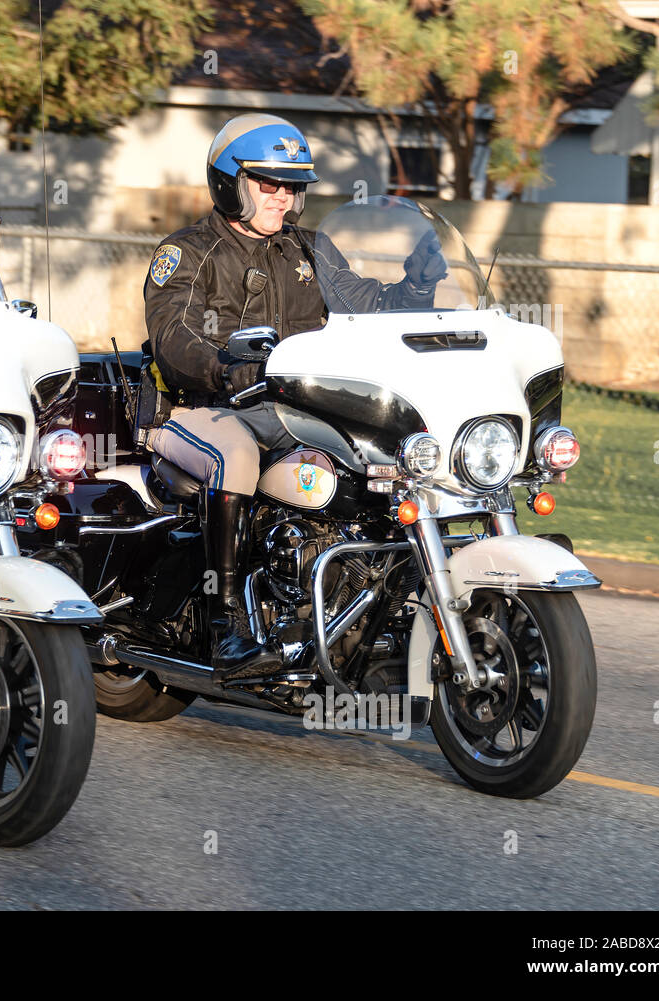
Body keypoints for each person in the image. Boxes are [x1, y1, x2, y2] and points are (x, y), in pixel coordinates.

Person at [142, 113, 446, 685]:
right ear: (230, 182)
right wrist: (223, 366)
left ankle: (374, 602)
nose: (284, 198)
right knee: (237, 456)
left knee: (383, 461)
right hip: (200, 407)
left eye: (294, 186)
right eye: (269, 184)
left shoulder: (311, 251)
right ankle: (225, 622)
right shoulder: (188, 252)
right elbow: (173, 337)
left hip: (289, 409)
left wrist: (417, 285)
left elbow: (365, 311)